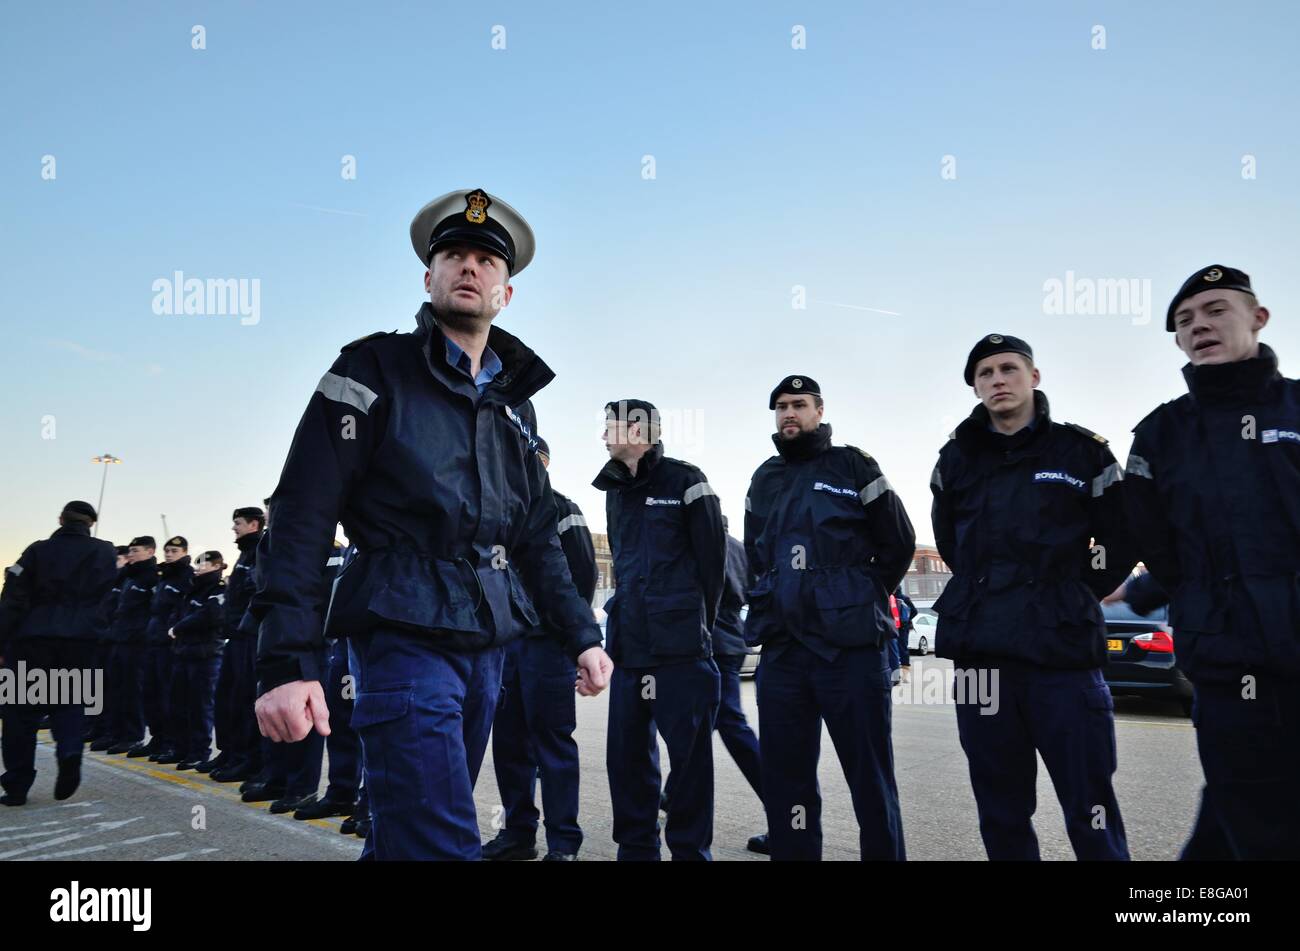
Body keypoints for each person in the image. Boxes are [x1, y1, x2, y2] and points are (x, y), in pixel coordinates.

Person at [249, 187, 612, 860]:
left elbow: (536, 536)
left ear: (506, 293)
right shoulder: (372, 369)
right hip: (402, 631)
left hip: (488, 643)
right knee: (441, 840)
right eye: (454, 255)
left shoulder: (514, 406)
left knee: (405, 835)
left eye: (486, 260)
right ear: (429, 277)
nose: (469, 266)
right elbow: (302, 510)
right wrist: (288, 661)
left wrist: (581, 636)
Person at [930, 334, 1136, 860]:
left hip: (1061, 652)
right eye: (985, 373)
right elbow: (951, 542)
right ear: (975, 388)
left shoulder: (1082, 452)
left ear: (1034, 377)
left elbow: (1119, 539)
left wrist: (1072, 591)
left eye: (1008, 369)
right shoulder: (955, 459)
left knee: (1089, 804)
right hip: (981, 658)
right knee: (1000, 808)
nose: (997, 380)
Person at [1124, 265, 1300, 859]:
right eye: (1185, 320)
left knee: (1238, 821)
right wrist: (1187, 597)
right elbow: (1156, 543)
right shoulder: (1160, 435)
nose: (1199, 325)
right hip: (1227, 661)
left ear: (1259, 317)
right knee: (1254, 814)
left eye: (1215, 310)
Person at [744, 375, 914, 861]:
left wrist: (856, 594)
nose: (788, 413)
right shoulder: (765, 477)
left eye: (799, 404)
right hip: (784, 650)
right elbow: (758, 553)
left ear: (819, 411)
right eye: (781, 406)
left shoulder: (853, 465)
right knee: (787, 782)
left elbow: (899, 542)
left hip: (850, 650)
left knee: (870, 778)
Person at [595, 398, 725, 860]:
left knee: (689, 765)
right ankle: (636, 851)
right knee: (626, 761)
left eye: (609, 425)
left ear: (637, 430)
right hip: (629, 649)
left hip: (681, 650)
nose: (603, 434)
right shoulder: (614, 490)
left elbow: (713, 566)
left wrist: (695, 628)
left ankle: (690, 853)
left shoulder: (686, 481)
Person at [483, 436, 593, 861]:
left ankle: (563, 843)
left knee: (553, 744)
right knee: (509, 745)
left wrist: (574, 642)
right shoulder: (497, 510)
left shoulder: (562, 510)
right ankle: (518, 835)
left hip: (548, 647)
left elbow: (581, 578)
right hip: (507, 645)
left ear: (542, 462)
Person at [662, 514, 768, 853]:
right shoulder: (740, 549)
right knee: (703, 724)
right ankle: (672, 793)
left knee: (729, 723)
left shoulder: (700, 544)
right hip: (732, 640)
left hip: (708, 641)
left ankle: (782, 807)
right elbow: (754, 590)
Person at [0, 501, 117, 805]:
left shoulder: (37, 550)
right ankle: (70, 751)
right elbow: (109, 597)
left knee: (20, 713)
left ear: (61, 519)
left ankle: (17, 785)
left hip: (33, 639)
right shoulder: (105, 552)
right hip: (81, 641)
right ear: (90, 523)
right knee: (70, 703)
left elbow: (13, 597)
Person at [209, 508, 265, 783]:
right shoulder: (245, 553)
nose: (234, 528)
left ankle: (245, 759)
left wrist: (242, 627)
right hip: (235, 636)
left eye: (238, 523)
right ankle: (229, 752)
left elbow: (255, 595)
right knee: (227, 698)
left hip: (249, 637)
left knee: (244, 700)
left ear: (253, 525)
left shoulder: (258, 551)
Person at [97, 536, 158, 754]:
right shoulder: (128, 577)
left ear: (150, 552)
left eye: (135, 550)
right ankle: (115, 733)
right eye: (130, 551)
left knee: (132, 691)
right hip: (119, 639)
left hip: (137, 643)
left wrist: (142, 633)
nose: (131, 554)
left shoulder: (152, 577)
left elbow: (155, 610)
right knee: (116, 689)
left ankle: (132, 736)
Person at [134, 536, 192, 761]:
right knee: (150, 694)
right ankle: (157, 739)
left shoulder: (186, 577)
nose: (169, 554)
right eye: (167, 550)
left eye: (174, 551)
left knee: (168, 697)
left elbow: (184, 611)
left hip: (170, 645)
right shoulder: (163, 576)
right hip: (152, 642)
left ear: (184, 552)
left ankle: (170, 742)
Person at [168, 551, 227, 771]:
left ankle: (199, 752)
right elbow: (178, 613)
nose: (198, 567)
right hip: (184, 653)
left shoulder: (218, 589)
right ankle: (181, 749)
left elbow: (211, 615)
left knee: (200, 706)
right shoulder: (193, 589)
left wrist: (179, 627)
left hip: (205, 655)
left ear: (216, 566)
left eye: (204, 564)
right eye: (197, 563)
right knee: (179, 704)